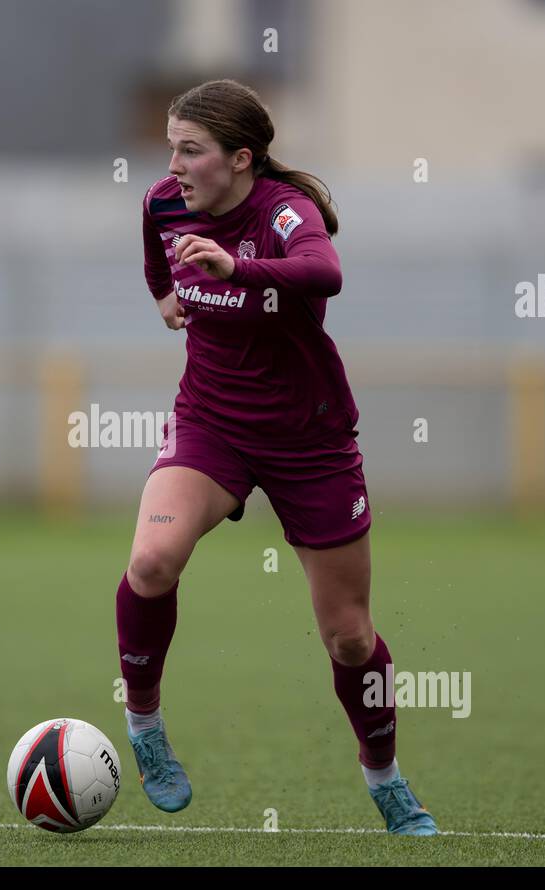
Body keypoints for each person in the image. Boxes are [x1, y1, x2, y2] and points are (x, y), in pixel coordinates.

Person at [117, 79, 437, 836]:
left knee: (349, 634)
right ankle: (145, 729)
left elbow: (325, 273)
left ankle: (384, 777)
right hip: (212, 425)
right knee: (151, 562)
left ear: (241, 158)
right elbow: (158, 266)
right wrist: (166, 294)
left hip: (310, 437)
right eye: (171, 147)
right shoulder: (164, 202)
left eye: (190, 151)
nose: (175, 165)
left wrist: (237, 272)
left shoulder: (284, 212)